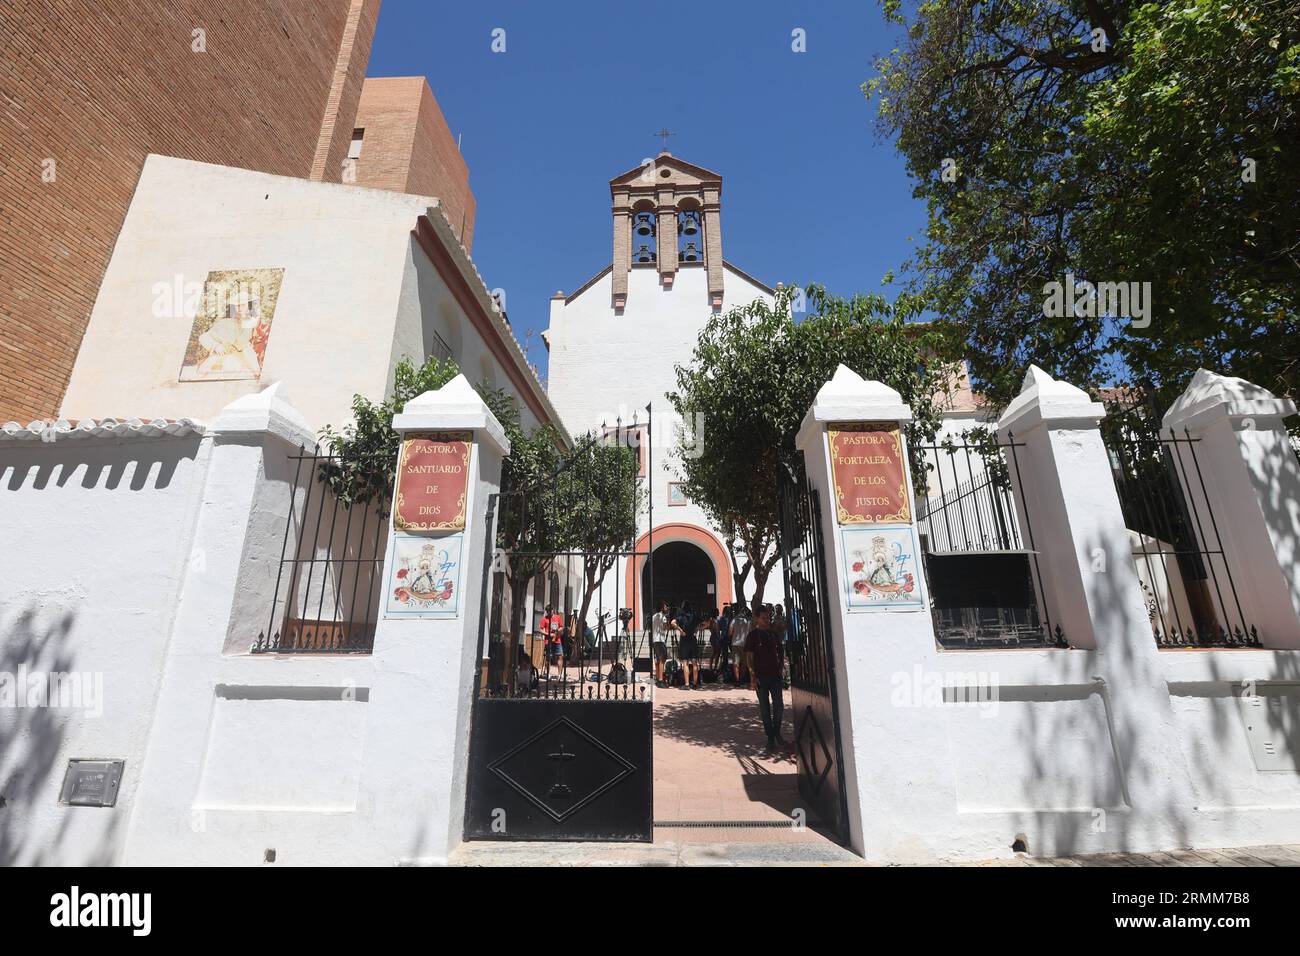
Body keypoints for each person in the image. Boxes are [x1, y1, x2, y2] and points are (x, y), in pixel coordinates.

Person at [746, 604, 786, 750]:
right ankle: (771, 737)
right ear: (757, 619)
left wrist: (781, 666)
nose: (766, 620)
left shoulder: (774, 634)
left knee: (779, 706)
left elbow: (780, 652)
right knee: (765, 708)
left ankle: (776, 732)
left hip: (775, 675)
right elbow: (749, 656)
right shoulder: (753, 636)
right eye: (763, 618)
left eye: (768, 617)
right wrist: (752, 675)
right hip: (760, 677)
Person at [675, 601, 700, 690]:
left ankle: (687, 684)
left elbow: (672, 623)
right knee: (694, 663)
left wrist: (680, 630)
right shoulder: (694, 616)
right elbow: (706, 623)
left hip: (684, 640)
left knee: (685, 663)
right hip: (693, 640)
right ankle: (695, 684)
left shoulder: (681, 617)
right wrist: (697, 629)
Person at [539, 604, 565, 677]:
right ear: (547, 612)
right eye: (548, 611)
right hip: (548, 641)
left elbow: (562, 627)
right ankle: (548, 674)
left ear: (553, 610)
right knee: (548, 657)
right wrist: (548, 634)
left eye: (551, 610)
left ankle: (560, 674)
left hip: (557, 640)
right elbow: (540, 629)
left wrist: (557, 630)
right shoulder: (544, 619)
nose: (550, 612)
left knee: (560, 656)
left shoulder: (558, 617)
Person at [729, 603, 751, 685]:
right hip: (745, 644)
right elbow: (749, 633)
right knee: (744, 663)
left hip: (735, 643)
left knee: (736, 662)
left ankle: (737, 680)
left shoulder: (734, 620)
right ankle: (741, 679)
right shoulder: (748, 621)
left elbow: (730, 632)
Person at [651, 601, 671, 687]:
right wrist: (669, 623)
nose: (667, 609)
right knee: (662, 659)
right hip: (660, 640)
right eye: (666, 607)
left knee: (657, 659)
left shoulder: (654, 616)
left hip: (654, 640)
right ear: (662, 608)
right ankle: (660, 680)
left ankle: (657, 677)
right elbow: (666, 627)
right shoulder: (662, 617)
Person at [711, 604, 731, 673]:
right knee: (725, 654)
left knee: (724, 654)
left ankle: (724, 667)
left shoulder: (722, 619)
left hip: (725, 637)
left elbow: (718, 628)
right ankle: (724, 667)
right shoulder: (728, 619)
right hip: (727, 638)